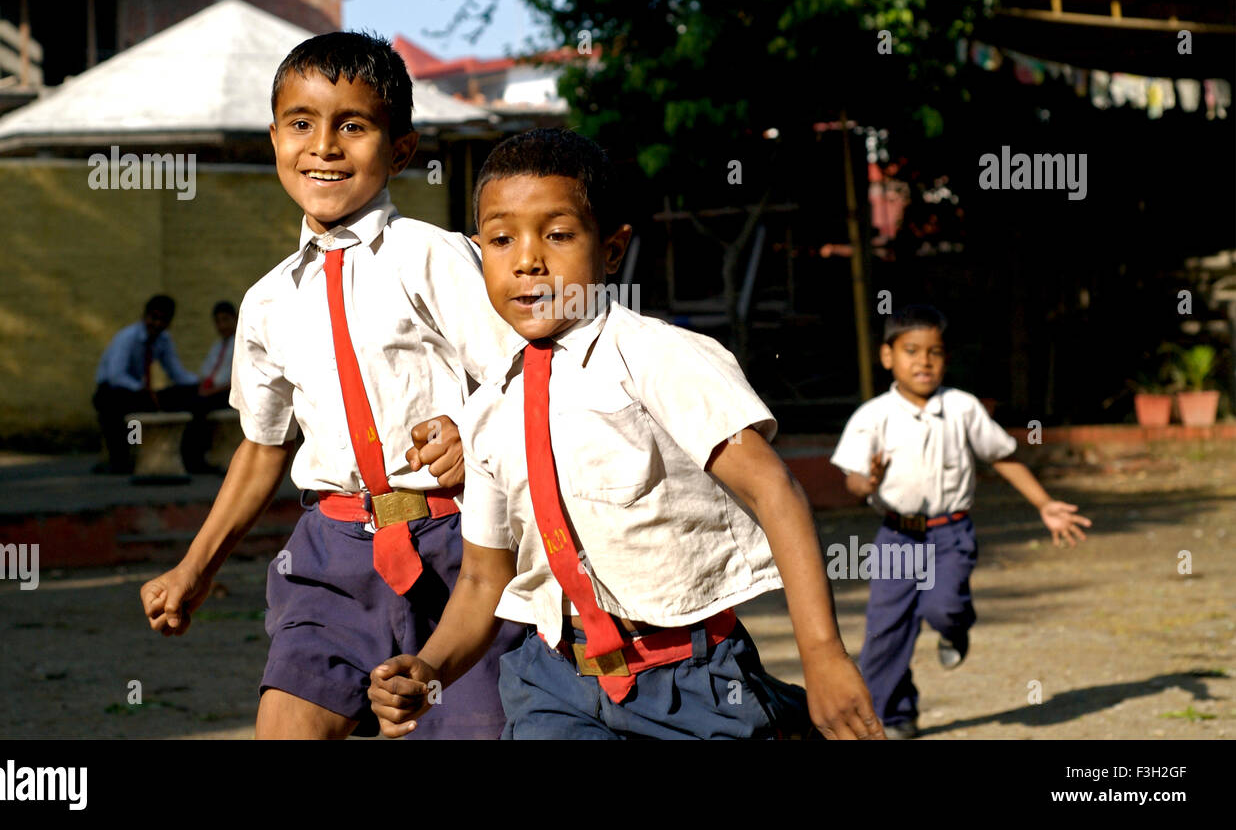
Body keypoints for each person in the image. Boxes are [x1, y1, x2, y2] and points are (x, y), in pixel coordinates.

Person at [369, 128, 882, 740]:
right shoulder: (486, 410)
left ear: (611, 251)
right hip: (554, 683)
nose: (528, 259)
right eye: (502, 239)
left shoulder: (658, 357)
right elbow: (484, 577)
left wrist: (822, 652)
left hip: (694, 680)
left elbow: (775, 490)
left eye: (558, 235)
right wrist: (428, 669)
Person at [138, 30, 522, 739]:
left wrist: (474, 433)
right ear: (276, 139)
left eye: (354, 125)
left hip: (459, 544)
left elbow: (523, 374)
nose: (325, 146)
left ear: (400, 150)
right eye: (301, 124)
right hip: (331, 551)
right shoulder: (267, 302)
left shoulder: (435, 258)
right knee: (287, 728)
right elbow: (262, 449)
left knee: (468, 730)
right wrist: (194, 568)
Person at [830, 304, 1092, 738]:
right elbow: (854, 481)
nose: (924, 361)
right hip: (897, 536)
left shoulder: (963, 408)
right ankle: (893, 717)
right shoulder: (872, 417)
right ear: (887, 356)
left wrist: (1044, 504)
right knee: (884, 634)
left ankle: (956, 629)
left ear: (946, 359)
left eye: (934, 351)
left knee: (942, 606)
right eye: (911, 350)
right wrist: (867, 481)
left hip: (950, 533)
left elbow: (1002, 457)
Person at [91, 295, 199, 474]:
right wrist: (143, 391)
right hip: (111, 390)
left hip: (137, 391)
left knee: (183, 398)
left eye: (162, 320)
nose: (156, 324)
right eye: (153, 318)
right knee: (124, 409)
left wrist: (197, 384)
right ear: (145, 316)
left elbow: (176, 373)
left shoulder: (163, 340)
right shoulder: (128, 337)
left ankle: (176, 454)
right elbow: (116, 375)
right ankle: (121, 459)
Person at [181, 300, 237, 473]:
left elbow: (237, 380)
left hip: (228, 393)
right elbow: (205, 374)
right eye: (218, 322)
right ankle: (186, 455)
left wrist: (210, 392)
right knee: (184, 399)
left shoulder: (241, 343)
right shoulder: (218, 346)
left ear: (235, 319)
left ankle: (196, 458)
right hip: (211, 391)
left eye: (226, 320)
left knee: (199, 407)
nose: (222, 326)